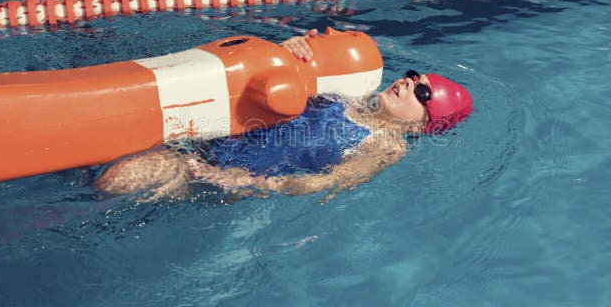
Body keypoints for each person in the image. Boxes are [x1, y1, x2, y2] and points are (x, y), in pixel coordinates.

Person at [94, 29, 472, 201]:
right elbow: (269, 85)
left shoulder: (388, 146)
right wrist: (289, 53)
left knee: (115, 179)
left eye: (422, 91)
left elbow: (328, 183)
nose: (406, 84)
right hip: (209, 136)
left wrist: (237, 181)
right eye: (409, 77)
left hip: (215, 176)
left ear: (426, 124)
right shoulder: (349, 92)